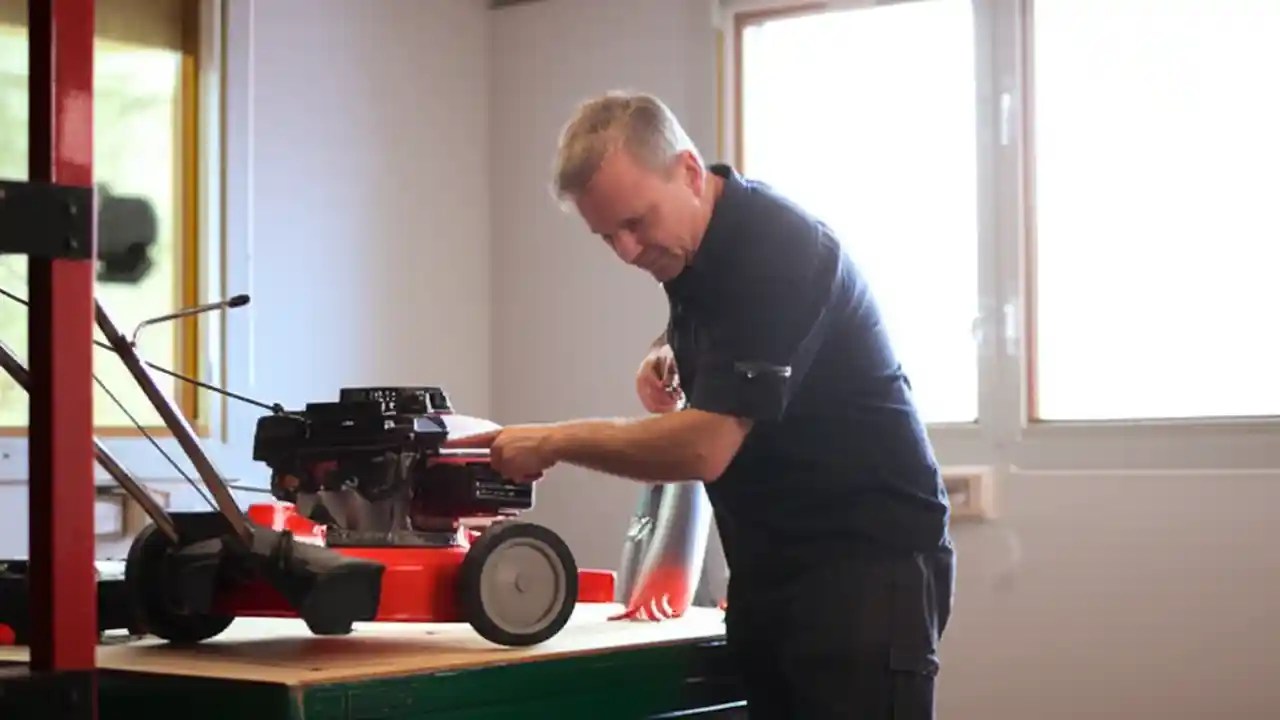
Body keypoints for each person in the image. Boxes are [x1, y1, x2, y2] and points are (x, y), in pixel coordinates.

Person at [445, 91, 956, 719]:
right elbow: (745, 342)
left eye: (635, 223)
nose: (627, 252)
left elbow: (703, 447)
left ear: (688, 171)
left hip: (866, 571)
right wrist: (668, 351)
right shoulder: (696, 257)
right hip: (774, 572)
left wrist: (551, 440)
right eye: (607, 236)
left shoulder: (778, 248)